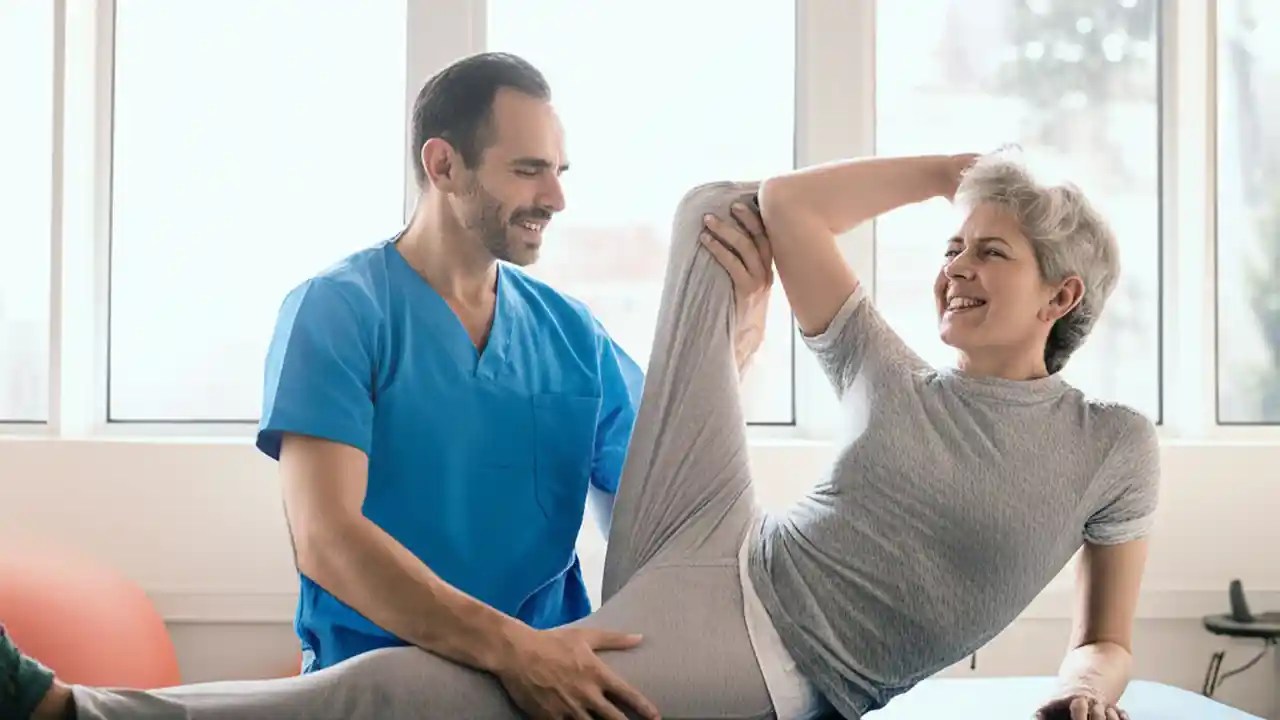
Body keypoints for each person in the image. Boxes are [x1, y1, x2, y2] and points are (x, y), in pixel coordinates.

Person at [2, 149, 1157, 720]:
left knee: (400, 692)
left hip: (772, 656)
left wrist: (1085, 687)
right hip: (721, 544)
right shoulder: (890, 373)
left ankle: (66, 712)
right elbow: (780, 207)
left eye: (987, 253)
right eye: (953, 249)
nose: (952, 270)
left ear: (1060, 297)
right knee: (715, 206)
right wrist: (959, 176)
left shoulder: (1110, 444)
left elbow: (1103, 636)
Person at [249, 50, 770, 719]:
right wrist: (513, 651)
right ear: (443, 166)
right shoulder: (340, 311)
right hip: (389, 687)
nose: (555, 199)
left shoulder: (571, 334)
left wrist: (739, 339)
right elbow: (326, 540)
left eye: (558, 173)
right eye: (527, 171)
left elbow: (671, 491)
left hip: (554, 691)